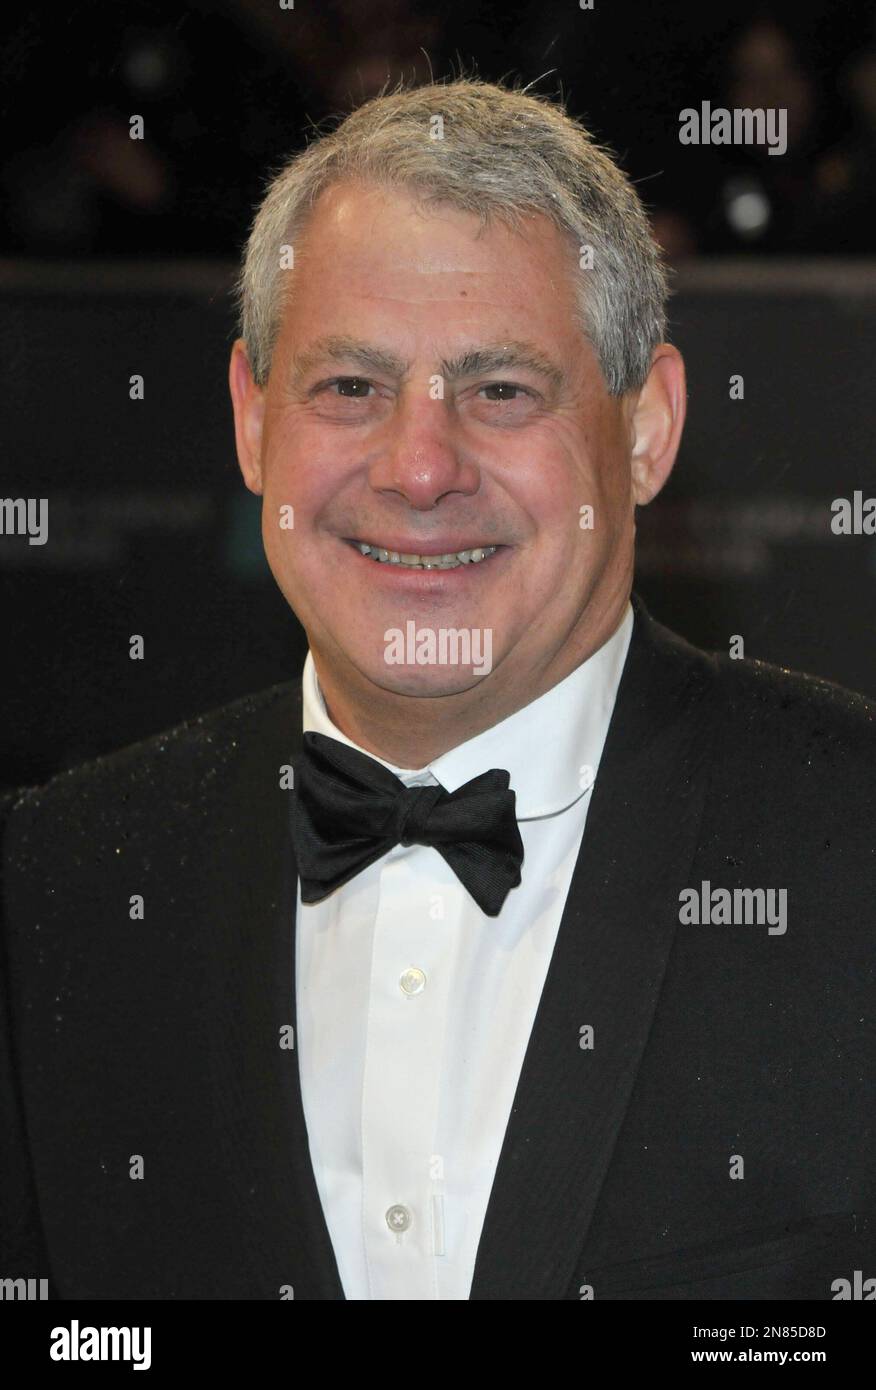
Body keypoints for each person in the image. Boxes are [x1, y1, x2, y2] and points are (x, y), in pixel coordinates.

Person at [1, 78, 874, 1302]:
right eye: (350, 386)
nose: (419, 466)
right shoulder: (54, 892)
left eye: (501, 390)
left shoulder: (852, 851)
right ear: (254, 423)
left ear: (646, 430)